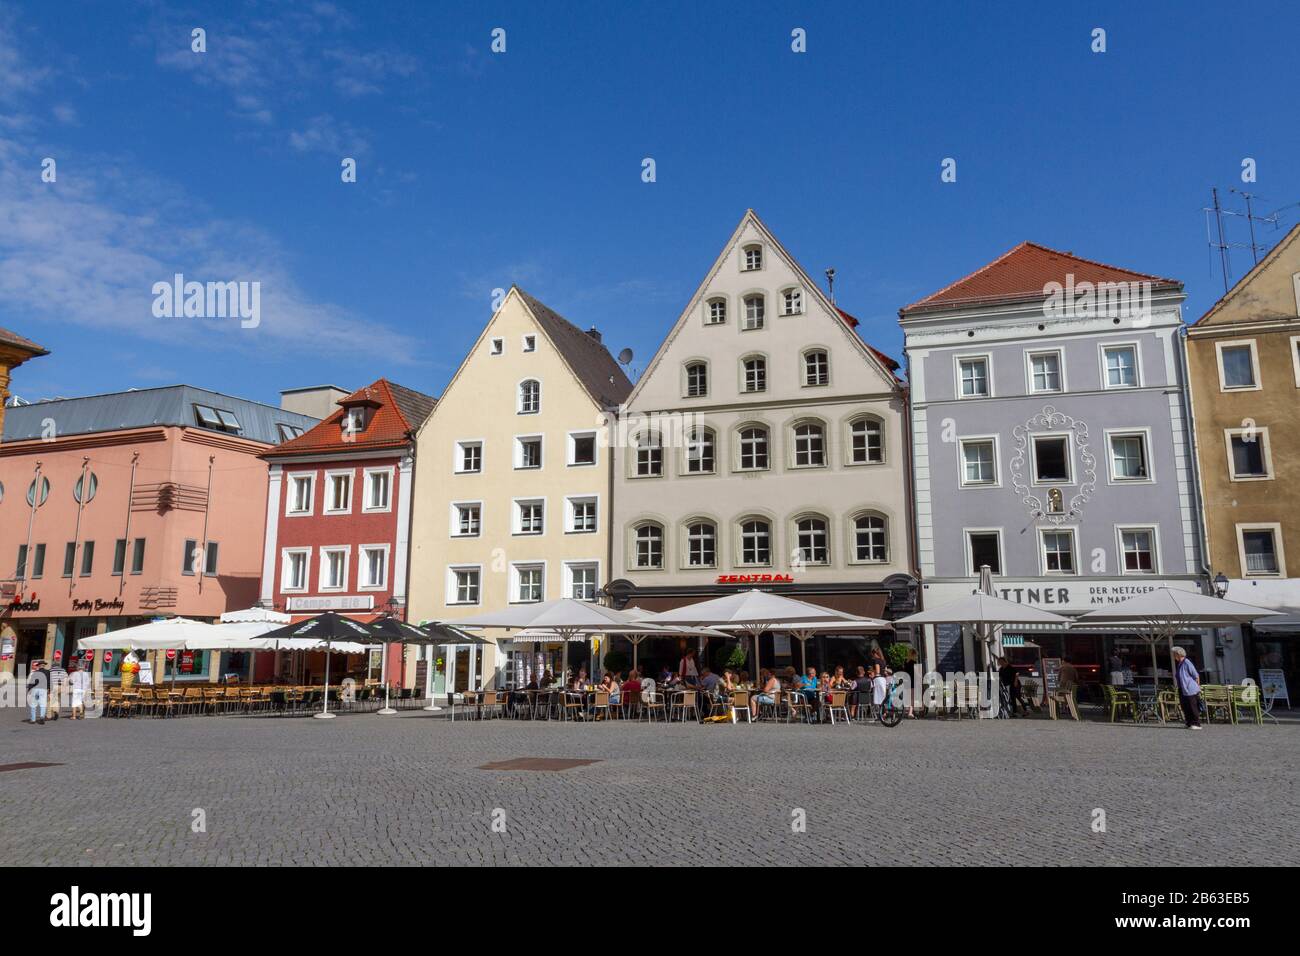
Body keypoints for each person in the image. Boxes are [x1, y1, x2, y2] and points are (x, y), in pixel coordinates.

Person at [1173, 647, 1202, 730]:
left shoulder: (1187, 662)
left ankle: (1196, 723)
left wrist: (1197, 687)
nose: (1173, 656)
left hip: (1190, 689)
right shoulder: (1180, 664)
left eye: (1174, 654)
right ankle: (1189, 722)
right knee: (1185, 706)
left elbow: (1196, 675)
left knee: (1192, 706)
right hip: (1182, 688)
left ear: (1178, 654)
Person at [26, 660, 49, 725]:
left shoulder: (35, 672)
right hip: (43, 689)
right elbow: (49, 682)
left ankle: (33, 719)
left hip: (35, 689)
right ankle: (42, 717)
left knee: (33, 704)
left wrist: (29, 690)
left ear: (38, 666)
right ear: (44, 665)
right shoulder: (47, 672)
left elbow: (32, 682)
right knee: (43, 704)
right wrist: (49, 689)